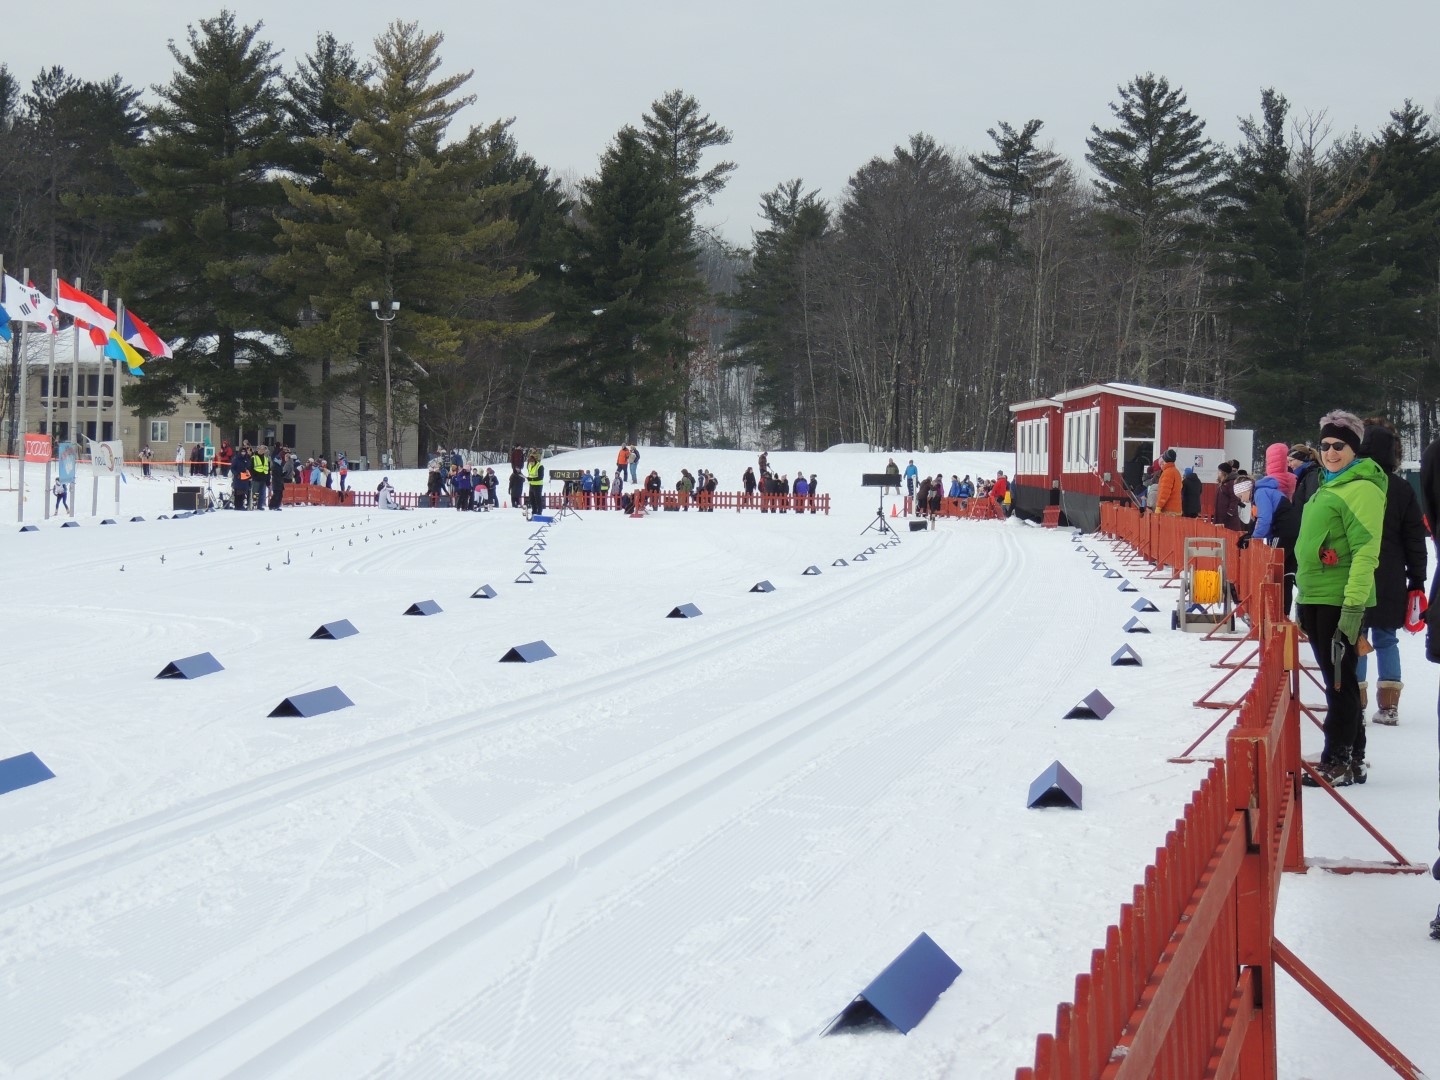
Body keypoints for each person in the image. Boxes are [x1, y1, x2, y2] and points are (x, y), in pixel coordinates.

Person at [1295, 410, 1387, 788]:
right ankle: (1355, 757)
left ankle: (1337, 760)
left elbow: (1367, 551)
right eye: (1325, 446)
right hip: (1317, 596)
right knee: (1340, 678)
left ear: (1354, 449)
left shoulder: (1361, 488)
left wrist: (1353, 605)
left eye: (1339, 446)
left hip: (1339, 600)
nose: (1330, 452)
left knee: (1339, 682)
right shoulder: (1329, 485)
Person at [1353, 420, 1427, 726]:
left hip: (1356, 570)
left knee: (1355, 636)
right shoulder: (1401, 488)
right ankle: (1389, 706)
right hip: (1391, 573)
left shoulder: (1352, 483)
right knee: (1386, 638)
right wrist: (1417, 578)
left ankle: (1355, 702)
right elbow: (1414, 535)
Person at [1249, 442, 1302, 615]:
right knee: (1288, 571)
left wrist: (1253, 536)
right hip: (1295, 529)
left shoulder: (1262, 490)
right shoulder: (1290, 480)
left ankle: (1278, 611)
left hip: (1283, 531)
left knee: (1275, 567)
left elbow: (1265, 518)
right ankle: (1287, 610)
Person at [1213, 462, 1242, 530]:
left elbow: (1234, 499)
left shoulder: (1231, 483)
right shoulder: (1222, 484)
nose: (1218, 473)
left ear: (1223, 472)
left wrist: (1229, 512)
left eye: (1219, 471)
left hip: (1228, 519)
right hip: (1220, 517)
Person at [250, 444, 270, 511]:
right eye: (261, 449)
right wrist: (254, 476)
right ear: (258, 449)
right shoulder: (253, 458)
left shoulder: (266, 459)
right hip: (256, 479)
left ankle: (260, 505)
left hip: (263, 479)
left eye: (264, 449)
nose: (262, 450)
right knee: (255, 493)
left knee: (262, 493)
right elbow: (251, 468)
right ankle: (254, 504)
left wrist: (268, 480)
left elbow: (267, 470)